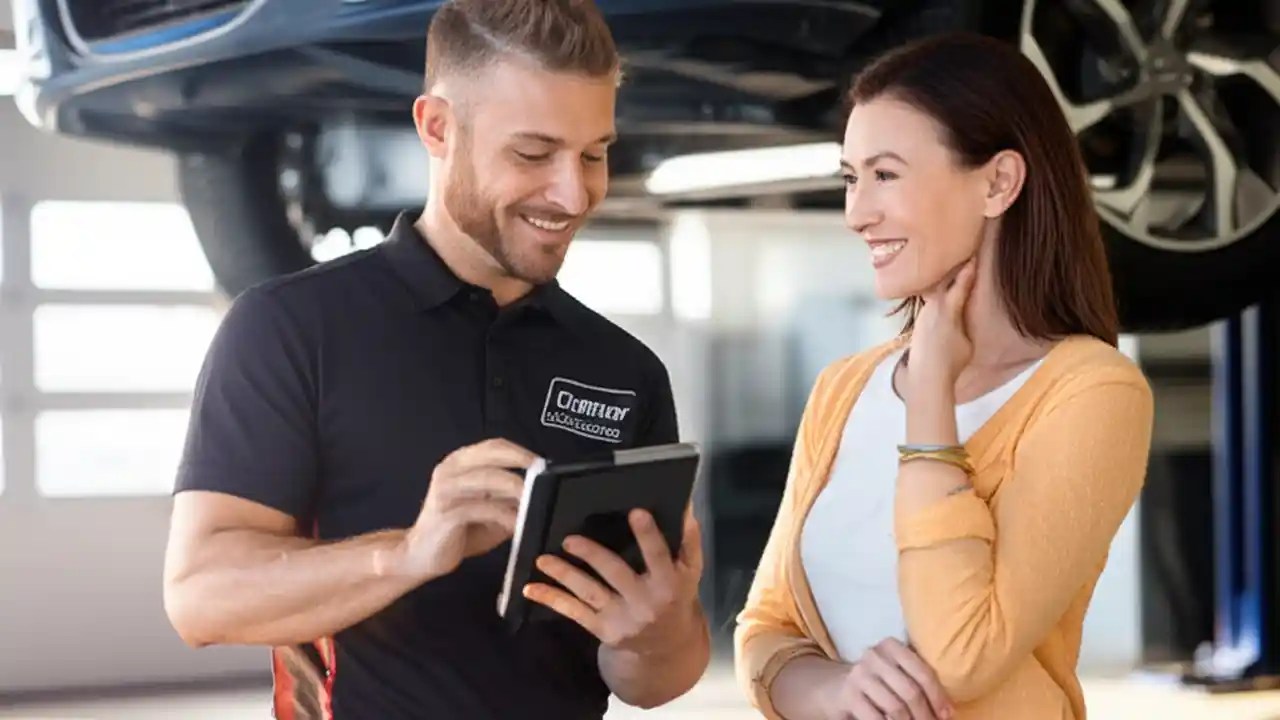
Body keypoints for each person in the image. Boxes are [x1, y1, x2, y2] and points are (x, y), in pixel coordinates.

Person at [161, 2, 711, 718]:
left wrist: (657, 634)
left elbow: (653, 682)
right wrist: (408, 553)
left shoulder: (625, 371)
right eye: (533, 154)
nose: (573, 193)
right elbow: (200, 598)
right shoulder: (291, 329)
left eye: (594, 154)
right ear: (438, 128)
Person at [733, 32, 1155, 720]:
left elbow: (964, 655)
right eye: (851, 178)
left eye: (886, 175)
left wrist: (931, 399)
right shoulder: (844, 388)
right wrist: (838, 688)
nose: (856, 213)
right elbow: (764, 631)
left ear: (998, 183)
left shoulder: (1093, 392)